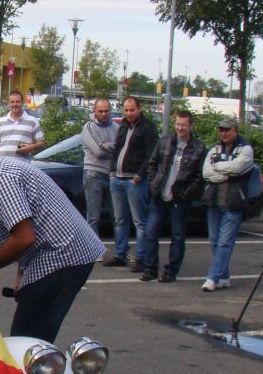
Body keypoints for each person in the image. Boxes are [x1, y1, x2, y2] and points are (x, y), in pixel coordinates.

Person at [0, 155, 105, 343]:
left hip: (62, 256)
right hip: (59, 253)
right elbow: (21, 228)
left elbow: (23, 238)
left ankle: (31, 371)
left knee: (27, 339)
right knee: (31, 329)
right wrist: (22, 271)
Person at [141, 110, 207, 282]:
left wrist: (186, 194)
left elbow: (199, 176)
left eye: (184, 125)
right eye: (177, 124)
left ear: (191, 126)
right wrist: (152, 184)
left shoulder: (199, 148)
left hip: (180, 199)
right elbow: (152, 164)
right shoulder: (164, 142)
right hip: (159, 195)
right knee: (150, 232)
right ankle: (150, 268)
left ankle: (171, 272)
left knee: (177, 236)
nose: (180, 128)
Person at [104, 96, 158, 272]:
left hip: (134, 181)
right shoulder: (124, 126)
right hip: (117, 179)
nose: (128, 113)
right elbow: (117, 150)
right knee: (120, 220)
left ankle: (140, 257)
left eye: (132, 110)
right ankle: (120, 253)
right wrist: (112, 171)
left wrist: (139, 176)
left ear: (139, 109)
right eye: (126, 110)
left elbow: (151, 155)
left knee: (139, 222)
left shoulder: (148, 128)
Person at [201, 118, 254, 292]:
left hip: (234, 202)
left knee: (225, 242)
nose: (223, 133)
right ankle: (223, 277)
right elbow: (207, 172)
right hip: (214, 201)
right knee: (215, 241)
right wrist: (226, 173)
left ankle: (212, 278)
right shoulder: (215, 149)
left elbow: (238, 167)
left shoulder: (245, 149)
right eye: (221, 130)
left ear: (235, 130)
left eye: (227, 130)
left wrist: (219, 167)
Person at [81, 98, 117, 235]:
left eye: (106, 111)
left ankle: (121, 252)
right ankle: (95, 253)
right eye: (100, 111)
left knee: (117, 216)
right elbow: (99, 151)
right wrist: (111, 146)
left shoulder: (116, 127)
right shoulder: (89, 127)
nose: (103, 114)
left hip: (113, 175)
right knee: (93, 217)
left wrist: (109, 144)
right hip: (93, 174)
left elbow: (123, 148)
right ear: (94, 111)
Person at [0, 90, 45, 160]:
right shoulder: (1, 121)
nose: (15, 104)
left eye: (17, 101)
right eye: (12, 102)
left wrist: (31, 147)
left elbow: (42, 143)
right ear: (8, 104)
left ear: (22, 103)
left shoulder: (33, 121)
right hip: (3, 167)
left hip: (23, 168)